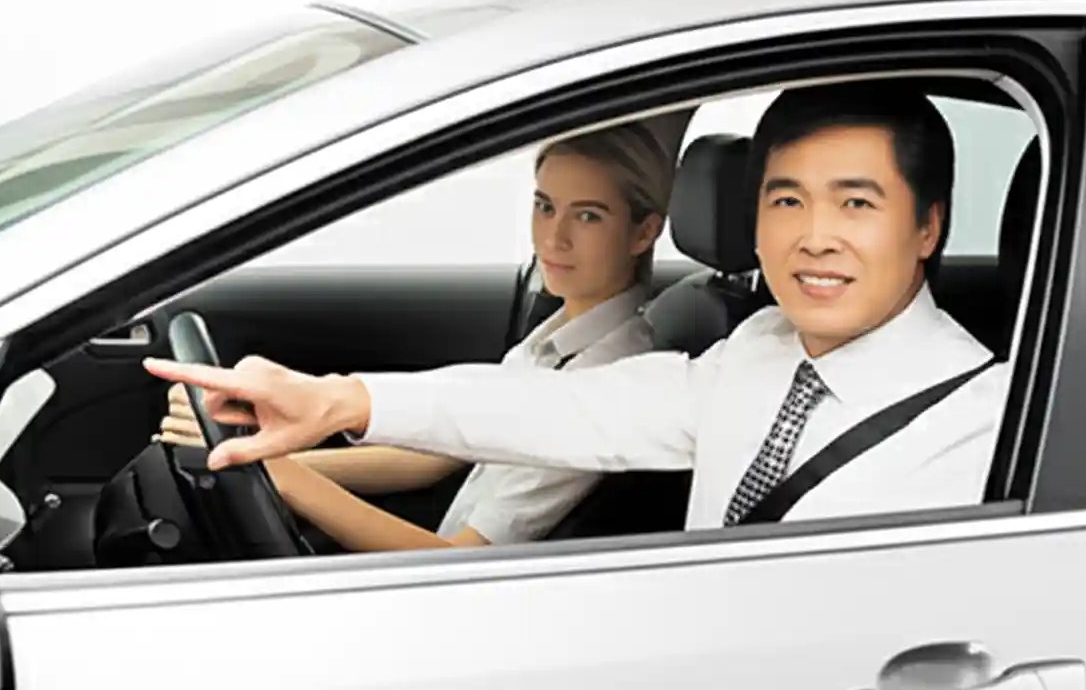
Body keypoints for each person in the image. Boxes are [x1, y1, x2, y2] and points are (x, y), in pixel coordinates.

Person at [144, 82, 1012, 531]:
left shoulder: (991, 428)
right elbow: (570, 405)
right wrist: (341, 399)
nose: (814, 236)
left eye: (856, 203)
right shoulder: (757, 346)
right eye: (787, 201)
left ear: (928, 224)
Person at [150, 111, 692, 551]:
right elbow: (436, 455)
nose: (554, 239)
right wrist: (278, 461)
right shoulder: (561, 334)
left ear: (644, 231)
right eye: (544, 206)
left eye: (589, 216)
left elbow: (462, 562)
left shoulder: (609, 381)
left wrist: (285, 478)